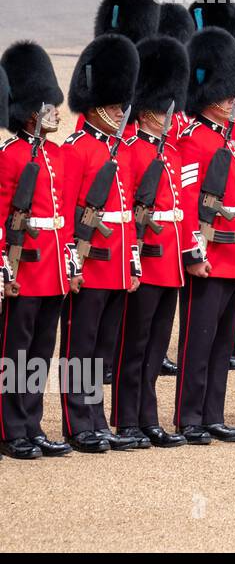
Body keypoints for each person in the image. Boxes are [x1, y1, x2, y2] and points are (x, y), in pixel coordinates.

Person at [60, 33, 142, 452]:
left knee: (103, 348)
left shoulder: (120, 150)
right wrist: (71, 265)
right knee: (81, 345)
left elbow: (126, 215)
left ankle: (96, 416)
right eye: (112, 106)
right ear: (94, 107)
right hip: (89, 265)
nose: (119, 112)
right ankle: (77, 422)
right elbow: (70, 218)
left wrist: (131, 263)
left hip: (115, 264)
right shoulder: (76, 151)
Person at [175, 27, 235, 444]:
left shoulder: (230, 140)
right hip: (210, 254)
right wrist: (193, 251)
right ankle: (190, 416)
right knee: (198, 340)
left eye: (232, 93)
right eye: (223, 94)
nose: (230, 101)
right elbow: (189, 201)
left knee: (223, 343)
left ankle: (213, 413)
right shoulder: (195, 142)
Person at [112, 36, 189, 449]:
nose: (168, 115)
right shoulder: (131, 151)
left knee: (157, 345)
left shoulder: (170, 153)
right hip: (146, 258)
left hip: (171, 261)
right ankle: (126, 418)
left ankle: (147, 416)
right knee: (135, 343)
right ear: (145, 112)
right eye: (162, 109)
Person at [0, 45, 73, 459]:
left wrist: (69, 265)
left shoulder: (56, 157)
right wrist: (4, 270)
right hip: (23, 269)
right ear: (30, 111)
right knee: (15, 353)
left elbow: (61, 217)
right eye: (49, 107)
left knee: (41, 353)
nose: (57, 114)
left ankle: (31, 423)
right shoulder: (9, 158)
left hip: (51, 270)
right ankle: (11, 429)